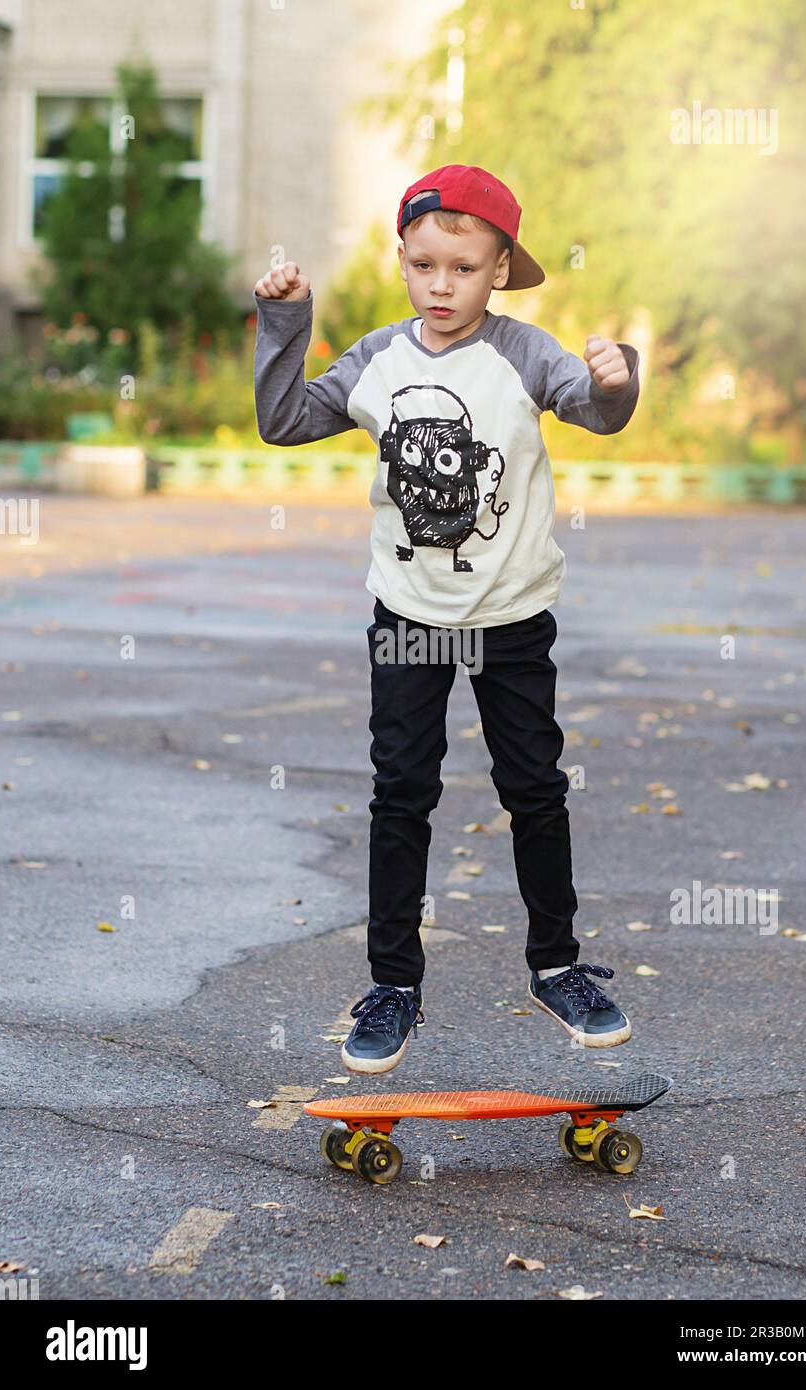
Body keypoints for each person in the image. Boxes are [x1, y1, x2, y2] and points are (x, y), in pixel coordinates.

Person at [254, 164, 641, 1075]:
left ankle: (557, 965)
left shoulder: (525, 352)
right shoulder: (378, 359)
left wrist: (616, 381)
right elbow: (281, 420)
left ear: (499, 267)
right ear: (403, 261)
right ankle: (393, 985)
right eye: (423, 265)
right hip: (410, 616)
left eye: (462, 268)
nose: (440, 286)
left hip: (511, 616)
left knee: (535, 790)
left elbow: (597, 411)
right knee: (403, 794)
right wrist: (284, 321)